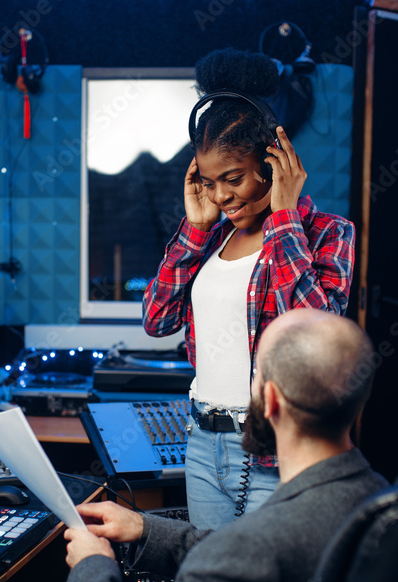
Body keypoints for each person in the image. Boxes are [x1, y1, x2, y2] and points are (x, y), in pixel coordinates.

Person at [48, 308, 387, 582]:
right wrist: (146, 529)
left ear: (269, 399)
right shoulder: (375, 494)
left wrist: (92, 565)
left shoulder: (261, 545)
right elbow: (249, 559)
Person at [143, 48, 356, 530]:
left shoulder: (328, 233)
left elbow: (313, 339)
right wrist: (195, 232)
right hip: (201, 443)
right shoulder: (212, 237)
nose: (220, 196)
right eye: (209, 180)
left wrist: (284, 220)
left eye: (233, 178)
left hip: (278, 448)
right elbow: (156, 320)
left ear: (273, 163)